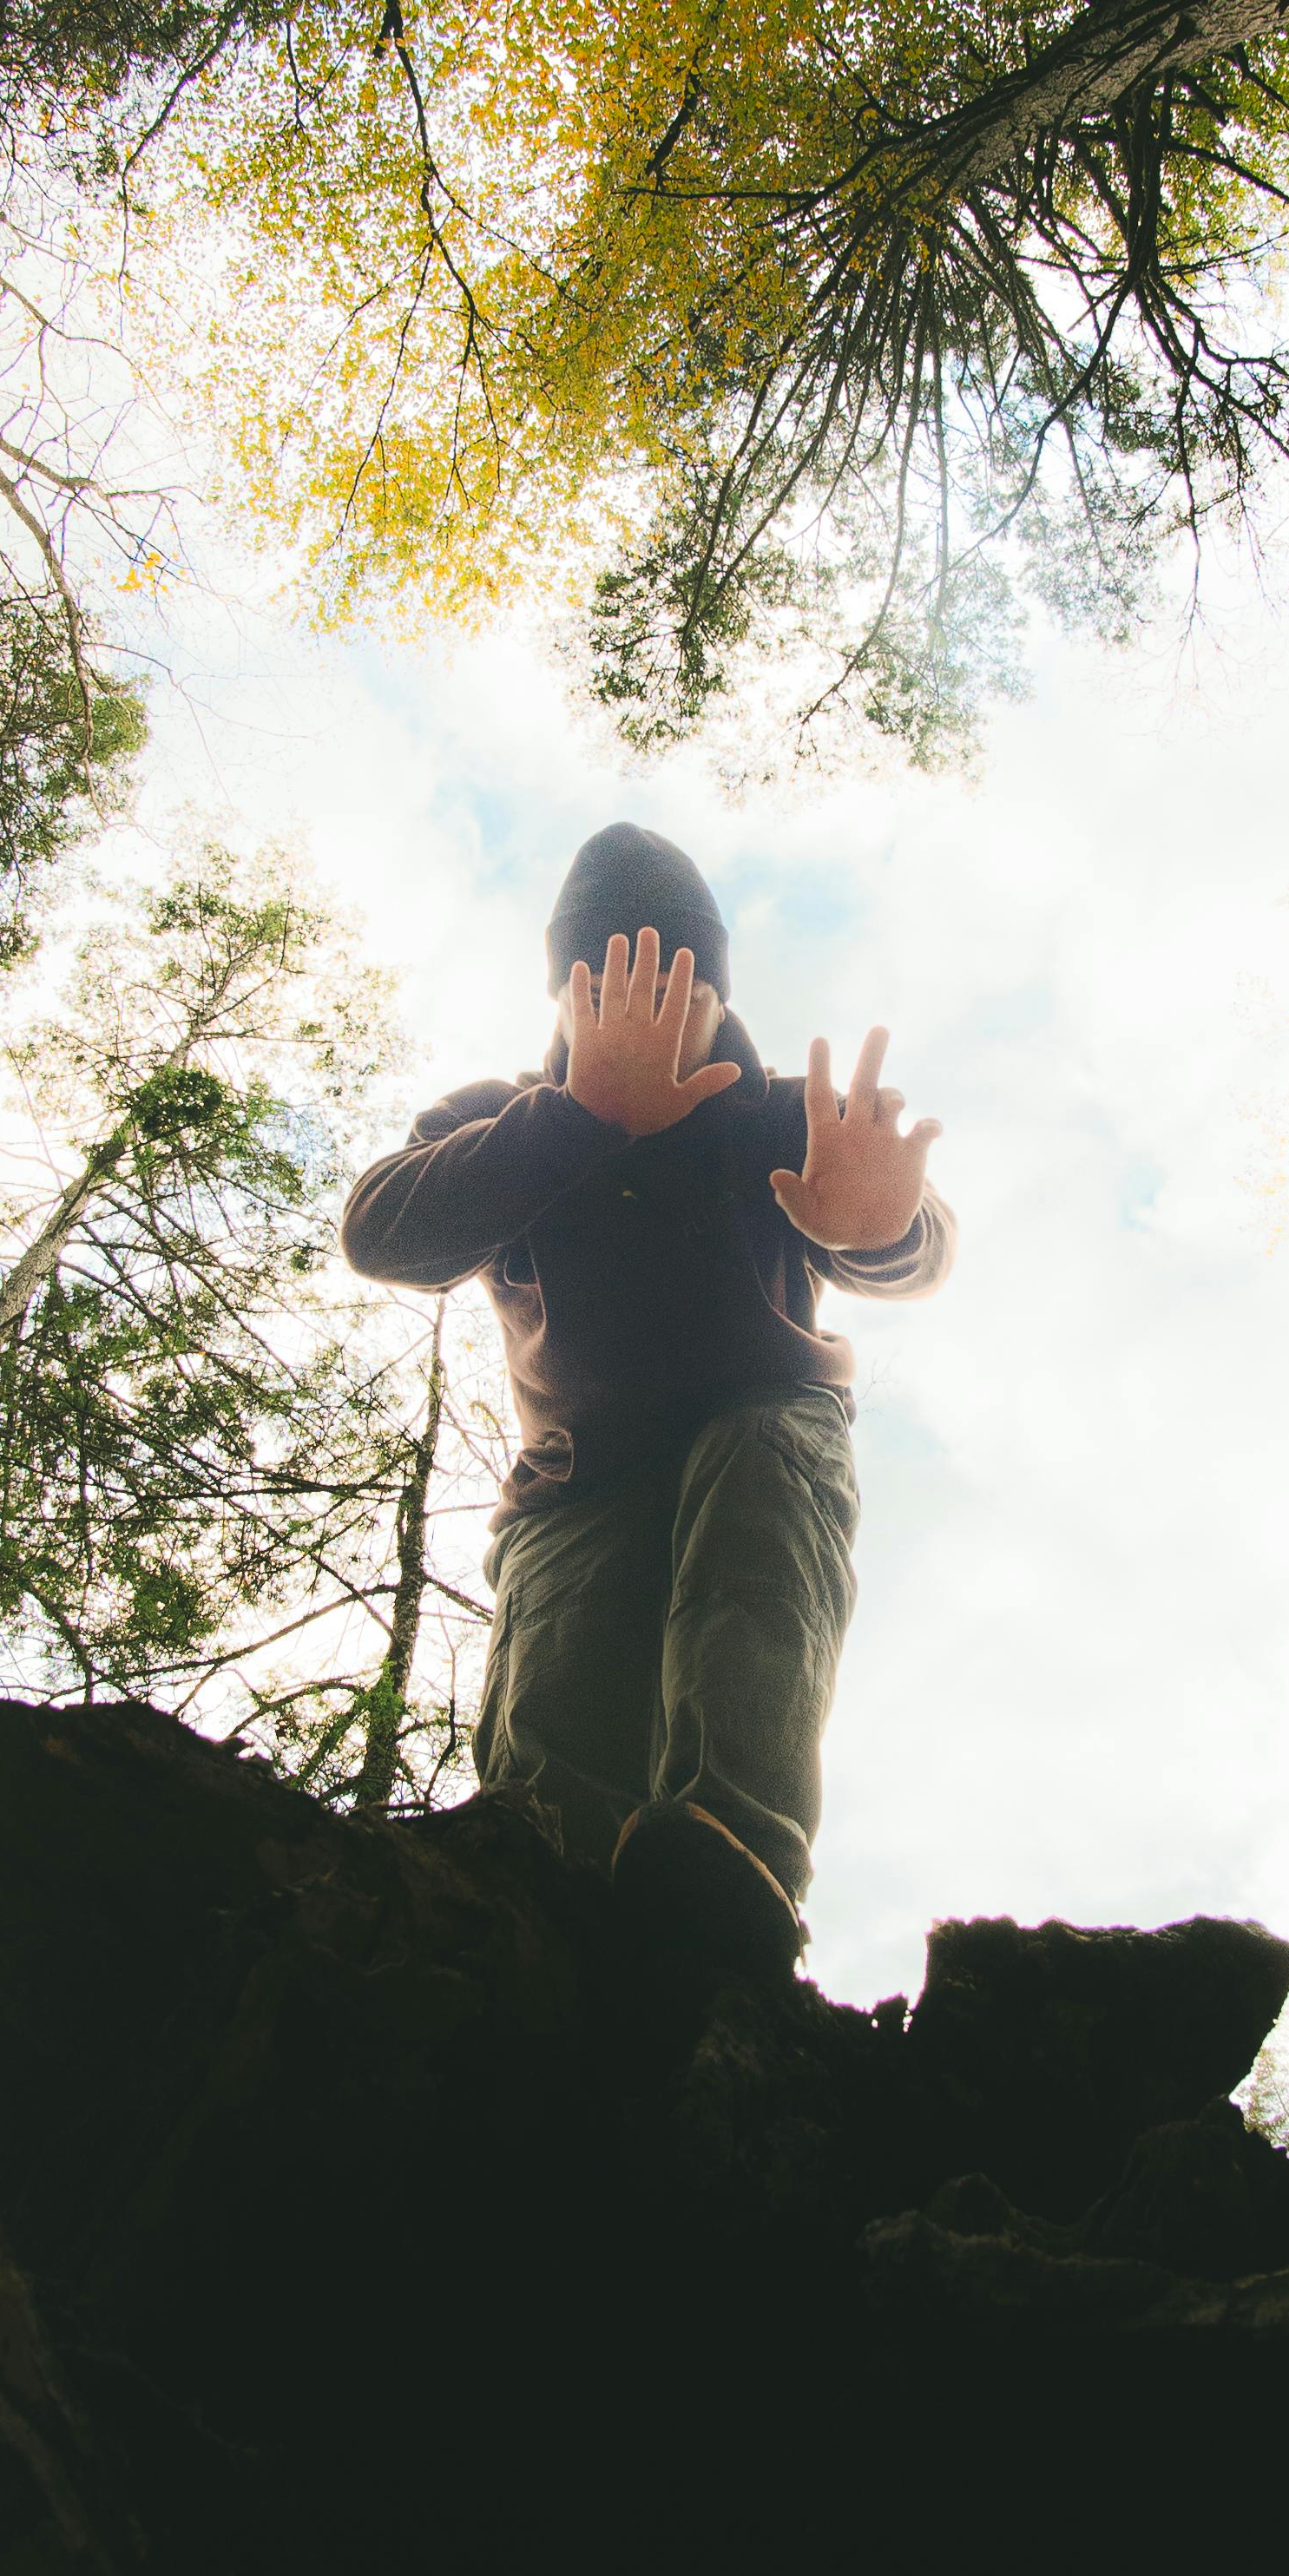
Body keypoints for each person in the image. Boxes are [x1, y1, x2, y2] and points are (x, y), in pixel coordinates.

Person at [341, 822, 953, 1955]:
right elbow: (383, 1230)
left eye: (680, 983)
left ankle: (736, 1871)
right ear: (565, 999)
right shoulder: (508, 1120)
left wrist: (883, 1229)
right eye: (611, 984)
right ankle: (549, 1970)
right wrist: (581, 1115)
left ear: (718, 991)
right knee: (554, 1823)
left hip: (764, 1437)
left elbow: (916, 1237)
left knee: (769, 1478)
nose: (653, 1012)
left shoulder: (776, 1113)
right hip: (577, 1496)